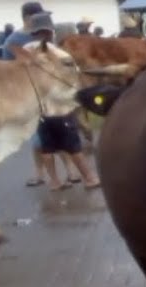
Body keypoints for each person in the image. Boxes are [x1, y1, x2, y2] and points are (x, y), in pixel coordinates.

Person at [3, 1, 80, 188]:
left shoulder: (45, 36)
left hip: (55, 93)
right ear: (28, 18)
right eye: (38, 16)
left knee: (63, 130)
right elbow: (9, 69)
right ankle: (41, 173)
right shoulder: (13, 42)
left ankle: (70, 170)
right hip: (31, 95)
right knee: (40, 138)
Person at [25, 12, 101, 191]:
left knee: (47, 146)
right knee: (72, 144)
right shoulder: (52, 52)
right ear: (47, 31)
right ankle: (90, 177)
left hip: (38, 107)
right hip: (58, 106)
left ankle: (54, 182)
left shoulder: (25, 51)